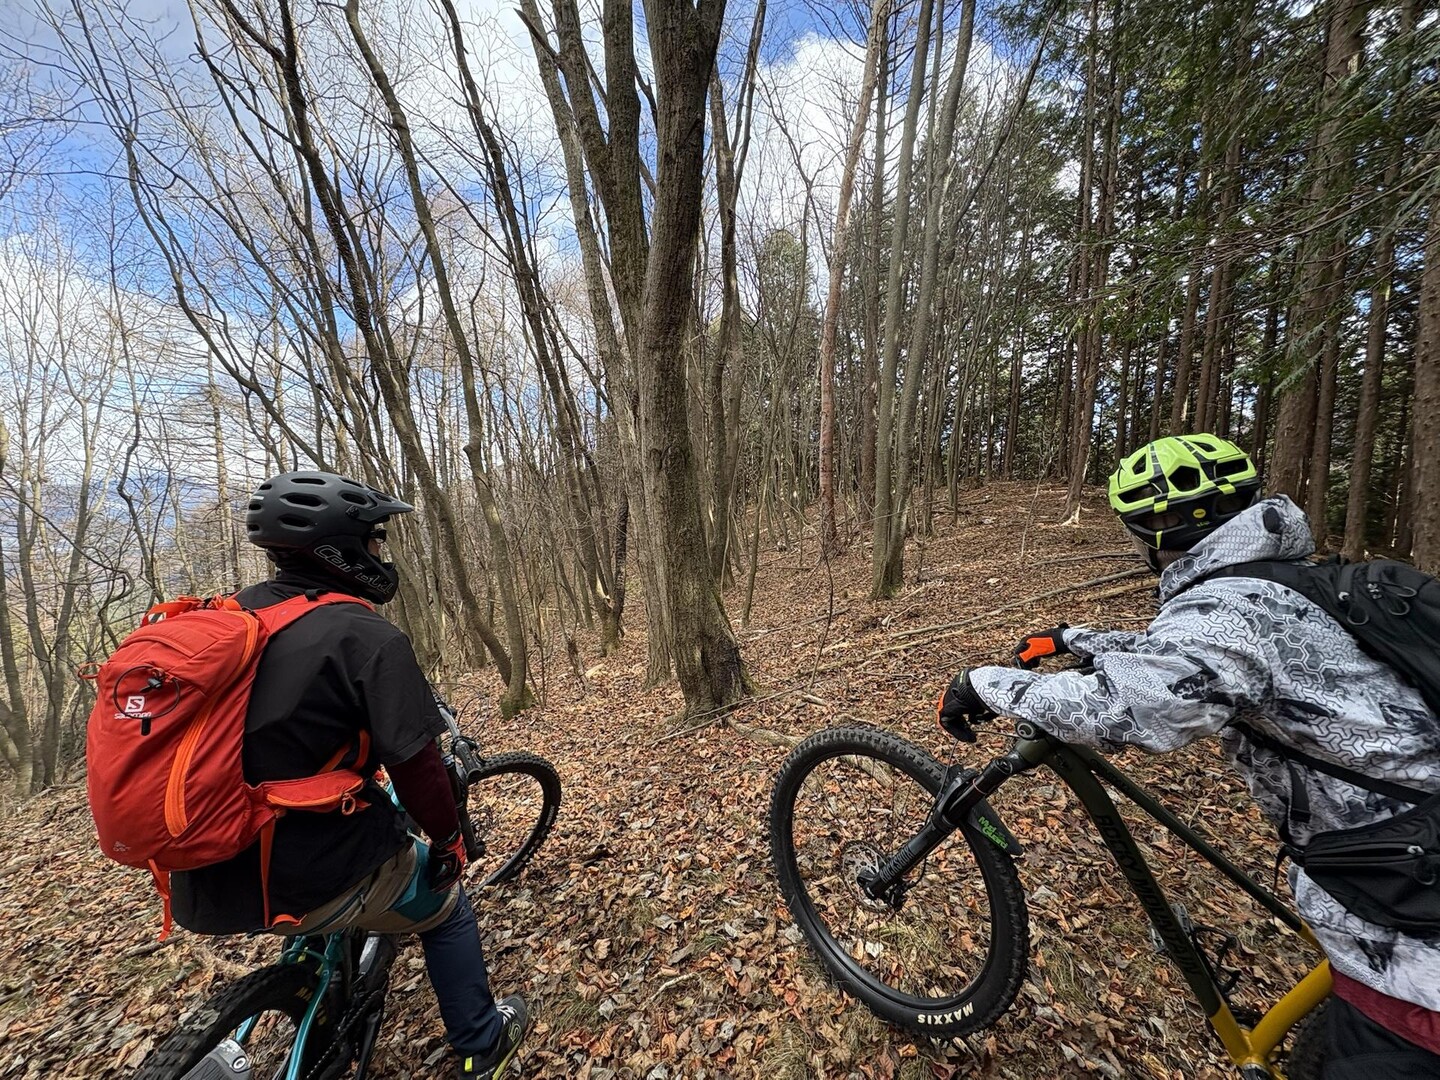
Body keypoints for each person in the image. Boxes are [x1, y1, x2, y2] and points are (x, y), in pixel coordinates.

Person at [937, 434, 1440, 1078]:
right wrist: (1074, 638)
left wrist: (986, 683)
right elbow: (1206, 654)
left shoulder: (1229, 612)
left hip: (1412, 951)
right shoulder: (1295, 581)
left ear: (1158, 532)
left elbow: (1138, 704)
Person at [170, 470, 527, 1080]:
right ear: (339, 550)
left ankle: (314, 994)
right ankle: (482, 1045)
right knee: (446, 907)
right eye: (375, 540)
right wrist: (449, 841)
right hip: (305, 872)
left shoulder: (229, 621)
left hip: (203, 872)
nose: (380, 553)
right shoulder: (365, 635)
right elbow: (416, 767)